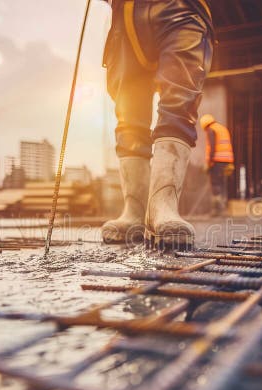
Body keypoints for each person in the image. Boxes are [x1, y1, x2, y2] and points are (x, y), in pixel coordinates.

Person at [100, 0, 214, 247]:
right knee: (128, 112)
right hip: (126, 14)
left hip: (183, 8)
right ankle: (135, 210)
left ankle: (163, 206)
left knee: (178, 100)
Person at [200, 114, 234, 216]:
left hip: (217, 160)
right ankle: (223, 209)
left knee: (215, 184)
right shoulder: (222, 128)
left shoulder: (211, 130)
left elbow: (212, 146)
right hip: (227, 161)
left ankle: (217, 210)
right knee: (222, 184)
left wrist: (209, 163)